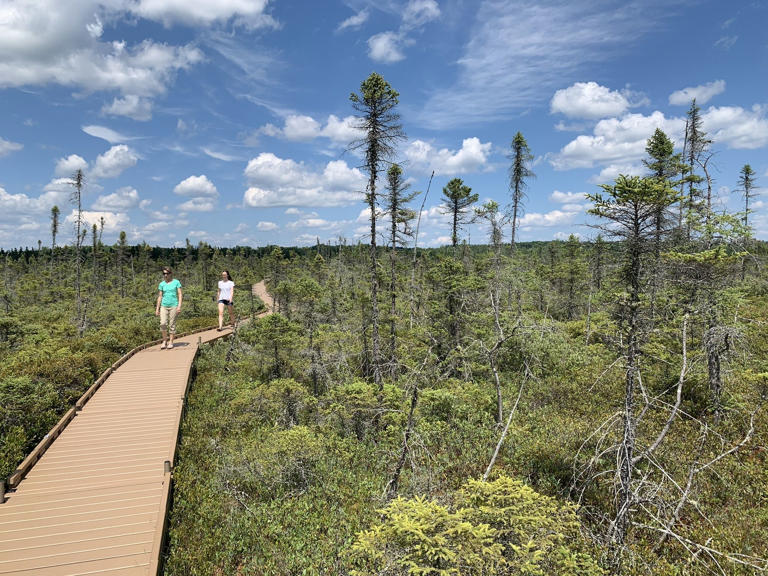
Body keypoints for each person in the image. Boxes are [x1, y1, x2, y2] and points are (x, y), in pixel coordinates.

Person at [156, 267, 182, 349]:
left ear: (171, 274)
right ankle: (164, 341)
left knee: (172, 324)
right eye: (164, 273)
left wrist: (179, 306)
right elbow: (160, 296)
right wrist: (157, 308)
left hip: (173, 305)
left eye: (167, 273)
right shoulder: (161, 284)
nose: (165, 275)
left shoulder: (176, 282)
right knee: (163, 323)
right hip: (164, 305)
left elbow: (180, 294)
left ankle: (171, 342)